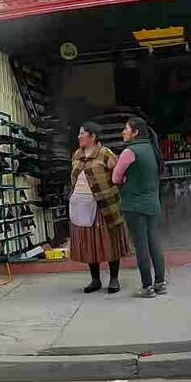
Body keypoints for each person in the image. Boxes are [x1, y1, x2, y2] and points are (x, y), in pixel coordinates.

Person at [69, 122, 131, 294]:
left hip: (103, 205)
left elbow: (120, 175)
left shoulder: (105, 154)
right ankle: (95, 279)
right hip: (82, 205)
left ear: (93, 136)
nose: (79, 136)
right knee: (89, 242)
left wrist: (111, 193)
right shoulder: (77, 154)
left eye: (82, 133)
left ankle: (114, 278)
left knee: (109, 241)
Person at [112, 117, 167, 298]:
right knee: (154, 242)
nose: (123, 132)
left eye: (126, 129)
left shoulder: (129, 152)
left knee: (141, 245)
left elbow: (115, 177)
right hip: (153, 203)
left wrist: (126, 178)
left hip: (134, 205)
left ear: (135, 132)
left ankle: (147, 286)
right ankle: (160, 283)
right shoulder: (153, 149)